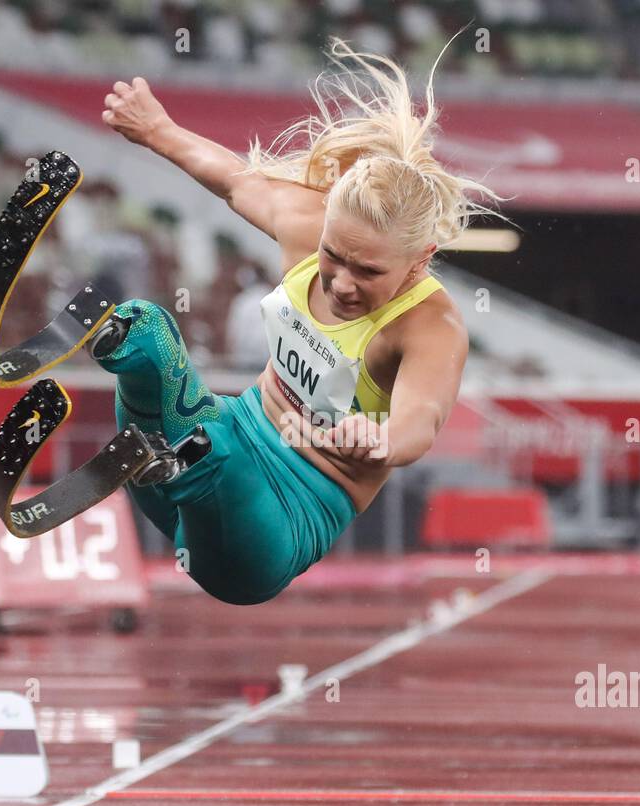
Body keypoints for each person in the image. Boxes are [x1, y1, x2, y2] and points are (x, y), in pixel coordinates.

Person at [94, 35, 507, 605]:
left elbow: (423, 418)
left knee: (213, 454)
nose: (340, 282)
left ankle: (181, 459)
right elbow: (235, 179)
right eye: (334, 256)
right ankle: (122, 372)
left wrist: (381, 439)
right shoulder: (308, 227)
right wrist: (157, 130)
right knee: (145, 329)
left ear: (420, 262)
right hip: (229, 434)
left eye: (367, 271)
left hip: (274, 527)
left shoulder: (431, 325)